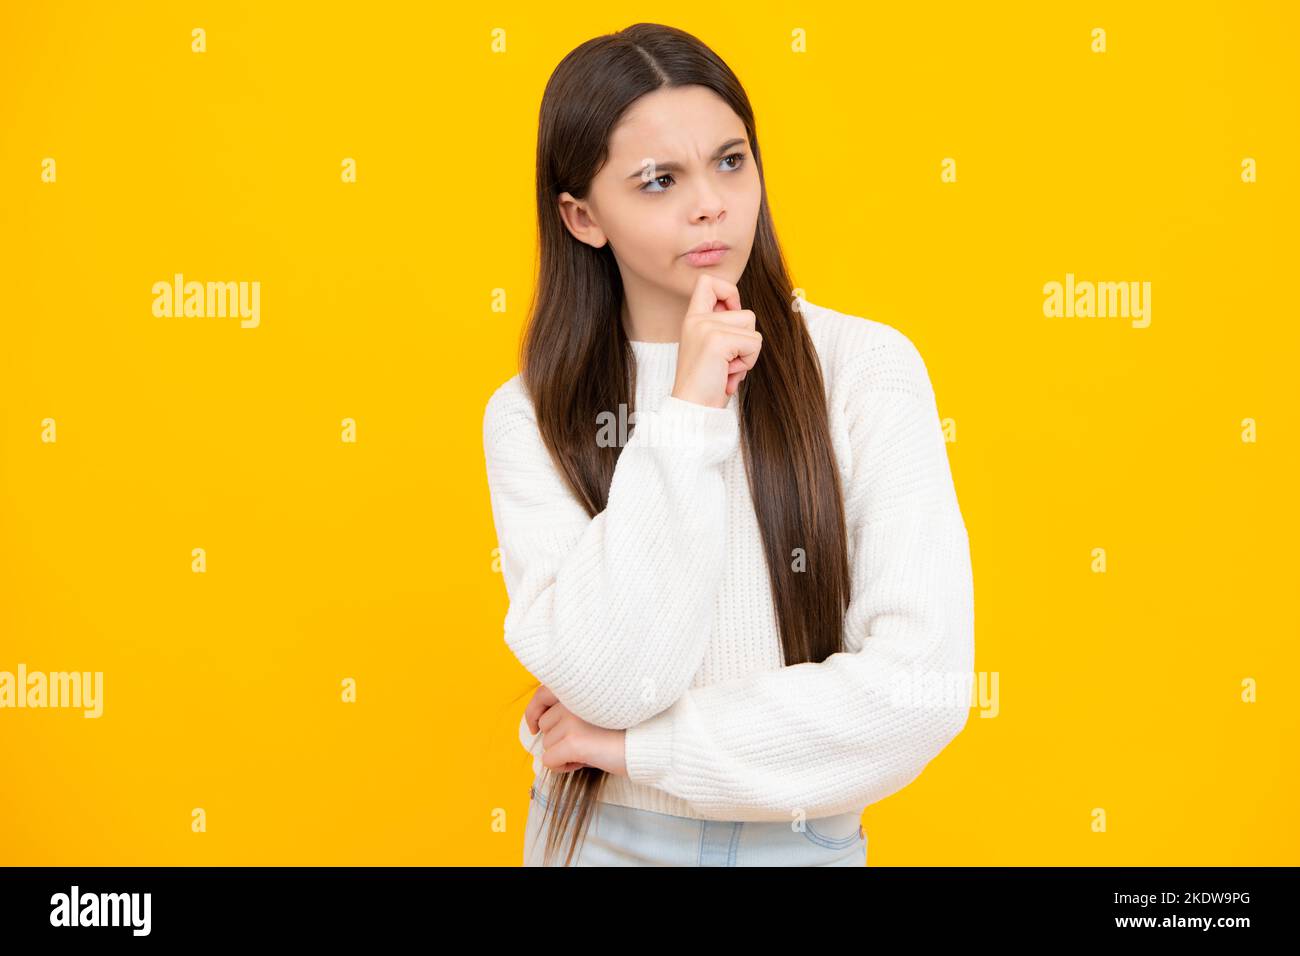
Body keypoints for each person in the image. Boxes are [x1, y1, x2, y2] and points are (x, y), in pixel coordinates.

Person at [482, 22, 974, 867]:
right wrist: (690, 413)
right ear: (581, 215)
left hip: (802, 846)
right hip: (596, 843)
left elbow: (917, 693)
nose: (710, 202)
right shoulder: (533, 413)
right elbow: (611, 674)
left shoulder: (865, 369)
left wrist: (636, 748)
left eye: (731, 160)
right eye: (659, 179)